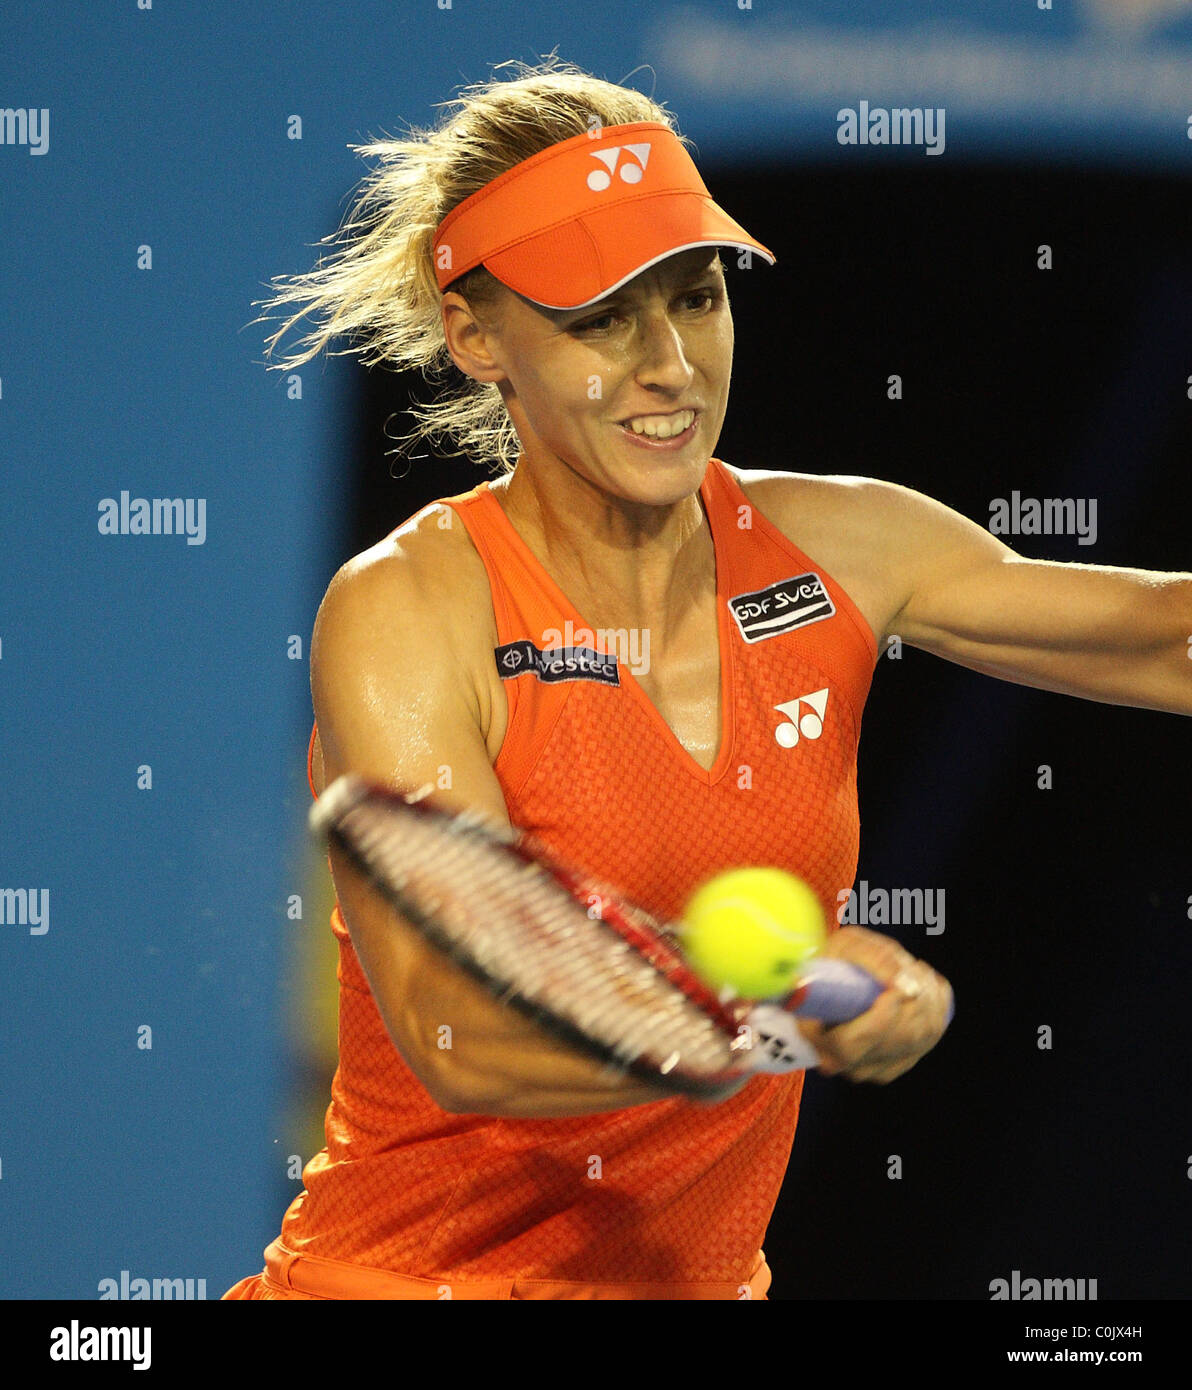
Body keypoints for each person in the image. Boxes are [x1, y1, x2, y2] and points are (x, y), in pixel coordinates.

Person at [223, 56, 1190, 1301]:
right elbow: (470, 1032)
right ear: (475, 335)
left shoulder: (845, 545)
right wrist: (784, 1006)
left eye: (696, 298)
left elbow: (1165, 634)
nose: (669, 362)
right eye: (600, 318)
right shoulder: (409, 608)